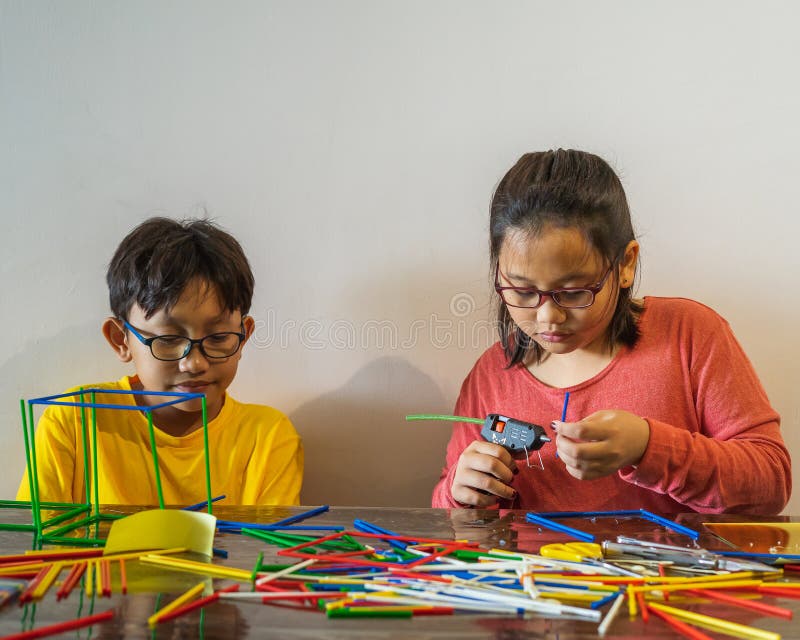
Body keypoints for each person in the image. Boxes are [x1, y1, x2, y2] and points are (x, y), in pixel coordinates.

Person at [432, 149, 790, 515]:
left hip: (669, 555)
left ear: (625, 265)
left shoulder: (689, 336)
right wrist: (461, 493)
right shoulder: (491, 376)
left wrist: (648, 448)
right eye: (522, 291)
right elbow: (446, 510)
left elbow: (771, 481)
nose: (548, 316)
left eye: (574, 292)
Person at [18, 217, 303, 506]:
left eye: (218, 337)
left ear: (243, 337)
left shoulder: (267, 438)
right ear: (121, 340)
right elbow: (37, 533)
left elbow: (269, 536)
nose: (194, 364)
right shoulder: (76, 421)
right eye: (167, 339)